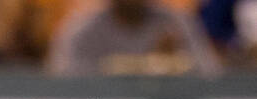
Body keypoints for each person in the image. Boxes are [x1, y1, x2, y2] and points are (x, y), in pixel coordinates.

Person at [48, 0, 219, 73]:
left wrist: (173, 64)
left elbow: (209, 74)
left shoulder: (176, 24)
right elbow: (65, 84)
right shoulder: (81, 32)